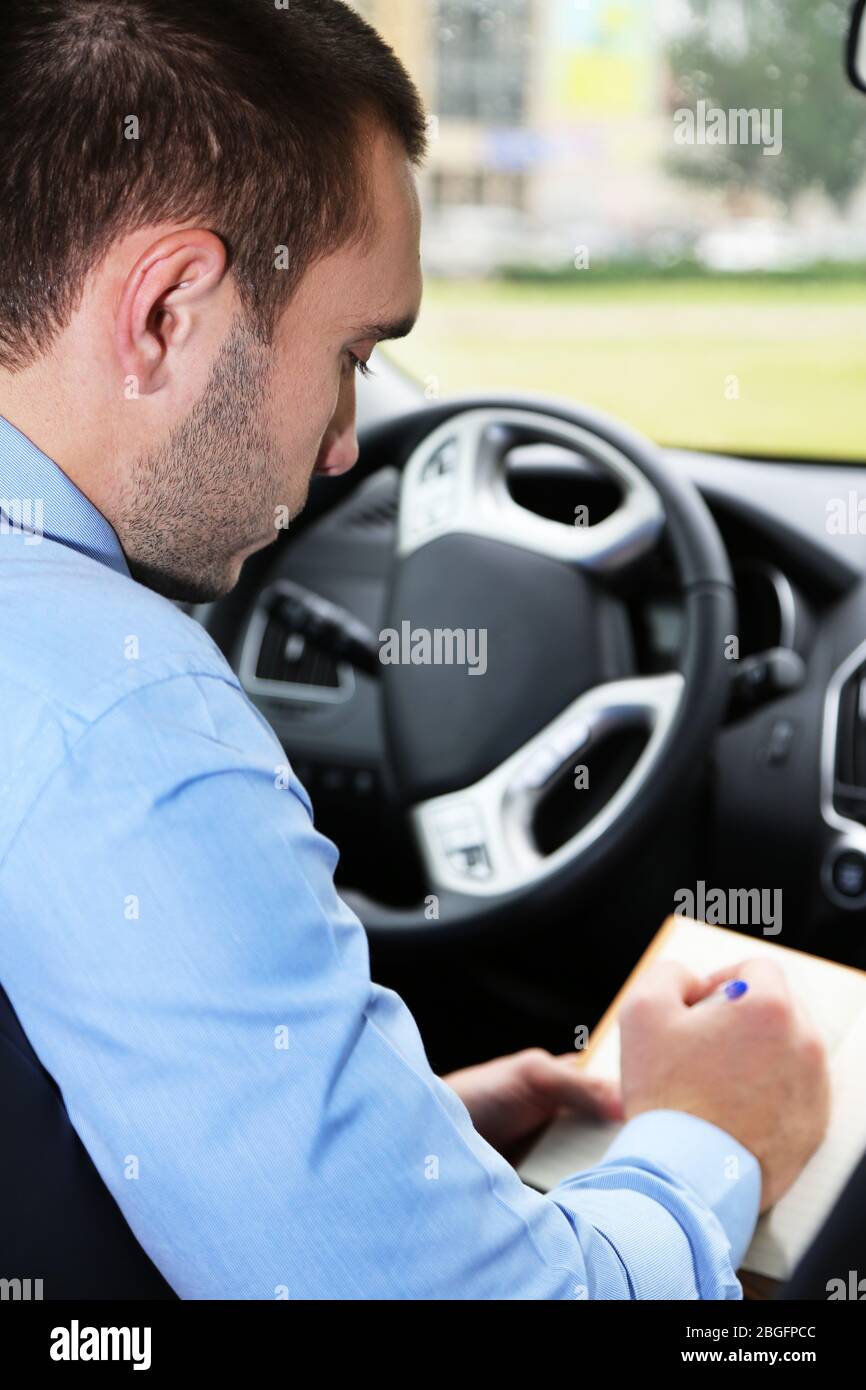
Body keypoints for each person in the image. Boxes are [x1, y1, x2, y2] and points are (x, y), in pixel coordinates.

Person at [0, 0, 828, 1299]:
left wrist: (390, 1148)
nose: (345, 439)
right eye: (352, 354)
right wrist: (708, 1139)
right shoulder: (115, 704)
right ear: (164, 312)